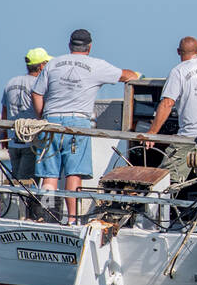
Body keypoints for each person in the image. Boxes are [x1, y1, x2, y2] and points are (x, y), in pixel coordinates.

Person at [32, 29, 140, 222]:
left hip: (50, 121)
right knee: (74, 174)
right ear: (89, 47)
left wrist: (42, 118)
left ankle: (47, 218)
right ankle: (72, 219)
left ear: (69, 45)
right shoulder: (97, 65)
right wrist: (138, 75)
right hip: (77, 124)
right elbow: (127, 76)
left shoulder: (53, 63)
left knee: (49, 175)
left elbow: (37, 93)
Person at [141, 37, 197, 233]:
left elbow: (168, 103)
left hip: (189, 134)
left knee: (165, 178)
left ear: (179, 52)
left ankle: (157, 225)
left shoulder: (178, 72)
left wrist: (152, 133)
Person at [1, 47, 51, 180]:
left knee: (15, 177)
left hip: (12, 139)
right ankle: (27, 202)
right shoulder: (39, 84)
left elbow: (4, 111)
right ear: (41, 66)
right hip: (31, 140)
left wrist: (4, 134)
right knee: (27, 181)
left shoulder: (11, 82)